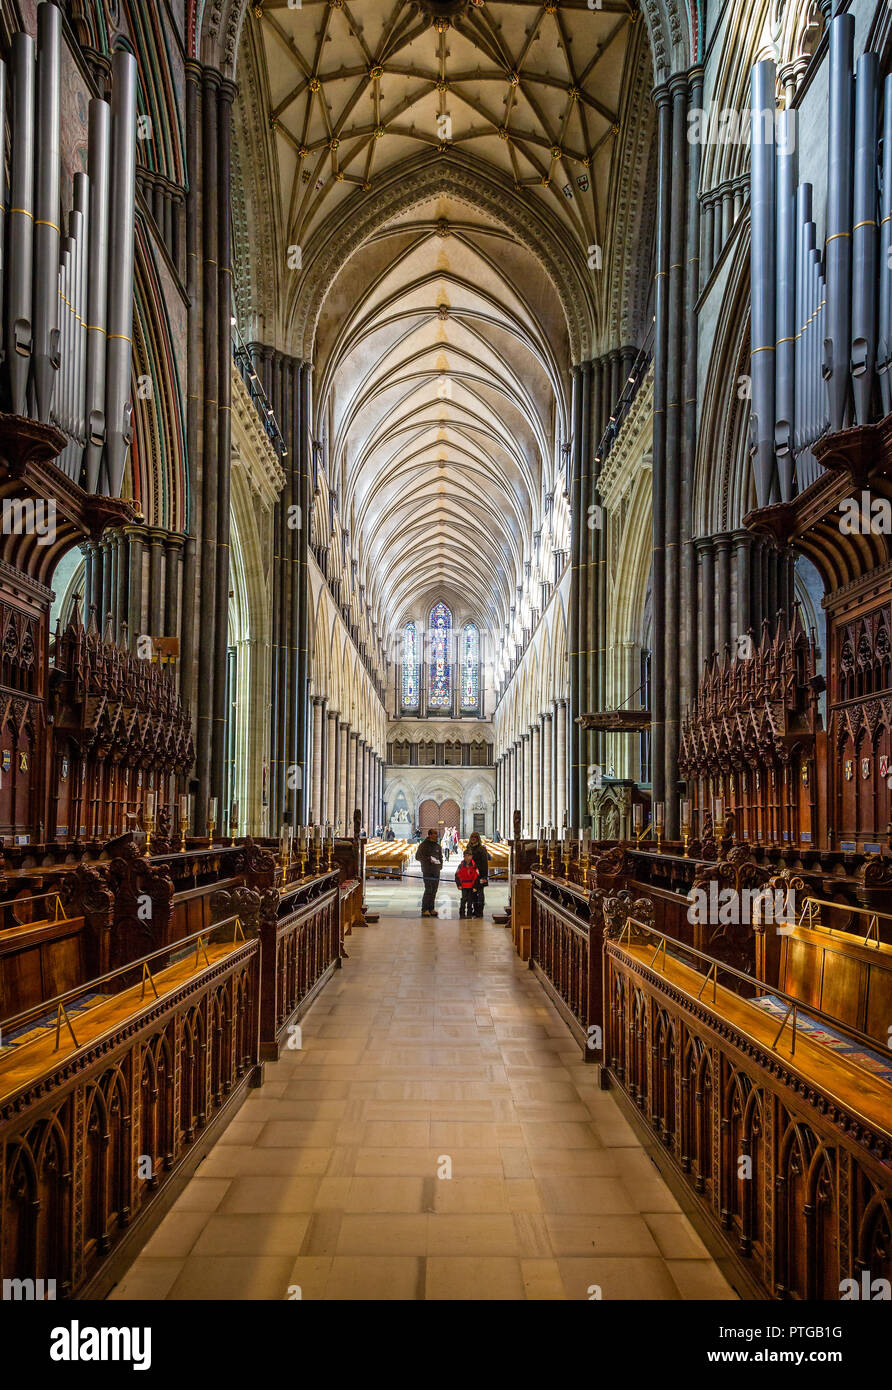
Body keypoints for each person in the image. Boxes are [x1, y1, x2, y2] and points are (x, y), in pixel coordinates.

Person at [415, 828, 443, 917]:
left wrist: (440, 865)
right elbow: (418, 857)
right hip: (427, 870)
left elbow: (440, 857)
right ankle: (425, 909)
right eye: (434, 833)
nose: (436, 835)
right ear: (430, 835)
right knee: (428, 889)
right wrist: (428, 859)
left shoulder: (438, 846)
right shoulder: (423, 845)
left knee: (434, 890)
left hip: (436, 871)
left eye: (436, 833)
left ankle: (431, 908)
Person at [466, 830, 490, 918]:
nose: (473, 839)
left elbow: (484, 863)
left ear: (478, 839)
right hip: (470, 874)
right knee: (472, 893)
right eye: (472, 837)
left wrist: (484, 876)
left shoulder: (482, 849)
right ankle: (475, 910)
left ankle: (479, 912)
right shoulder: (468, 848)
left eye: (475, 837)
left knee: (480, 893)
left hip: (480, 874)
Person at [454, 850, 479, 919]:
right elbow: (457, 875)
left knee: (470, 900)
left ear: (471, 856)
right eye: (465, 856)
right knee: (463, 899)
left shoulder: (474, 866)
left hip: (471, 886)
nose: (467, 857)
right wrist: (458, 884)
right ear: (464, 857)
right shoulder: (461, 865)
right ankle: (462, 913)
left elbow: (477, 876)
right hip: (464, 886)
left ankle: (469, 913)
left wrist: (475, 886)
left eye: (469, 856)